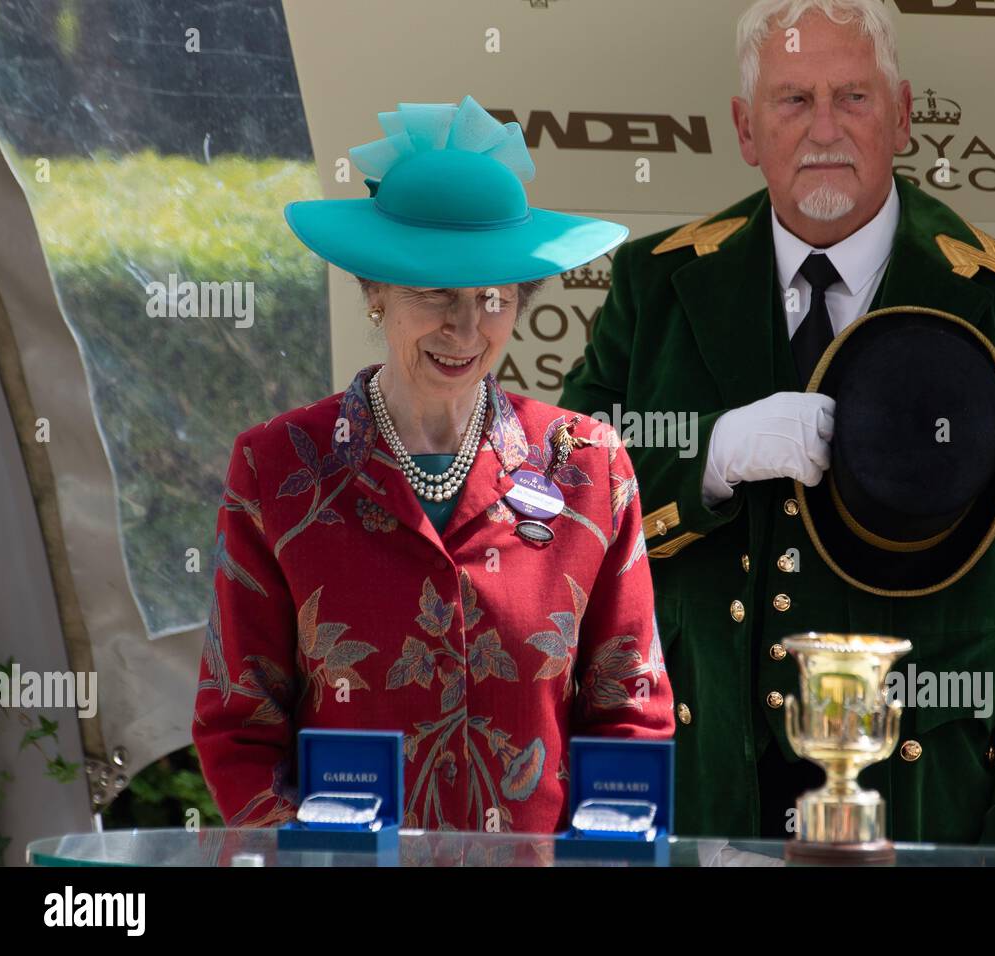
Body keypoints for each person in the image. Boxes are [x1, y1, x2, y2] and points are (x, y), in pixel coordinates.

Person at [560, 0, 995, 844]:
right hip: (703, 785)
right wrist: (710, 457)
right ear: (745, 127)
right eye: (792, 100)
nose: (824, 130)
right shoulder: (655, 284)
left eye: (852, 96)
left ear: (903, 115)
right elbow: (566, 485)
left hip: (921, 801)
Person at [193, 96, 673, 832]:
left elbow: (629, 718)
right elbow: (240, 726)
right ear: (375, 292)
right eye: (433, 291)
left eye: (492, 297)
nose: (465, 327)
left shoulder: (589, 468)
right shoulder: (279, 469)